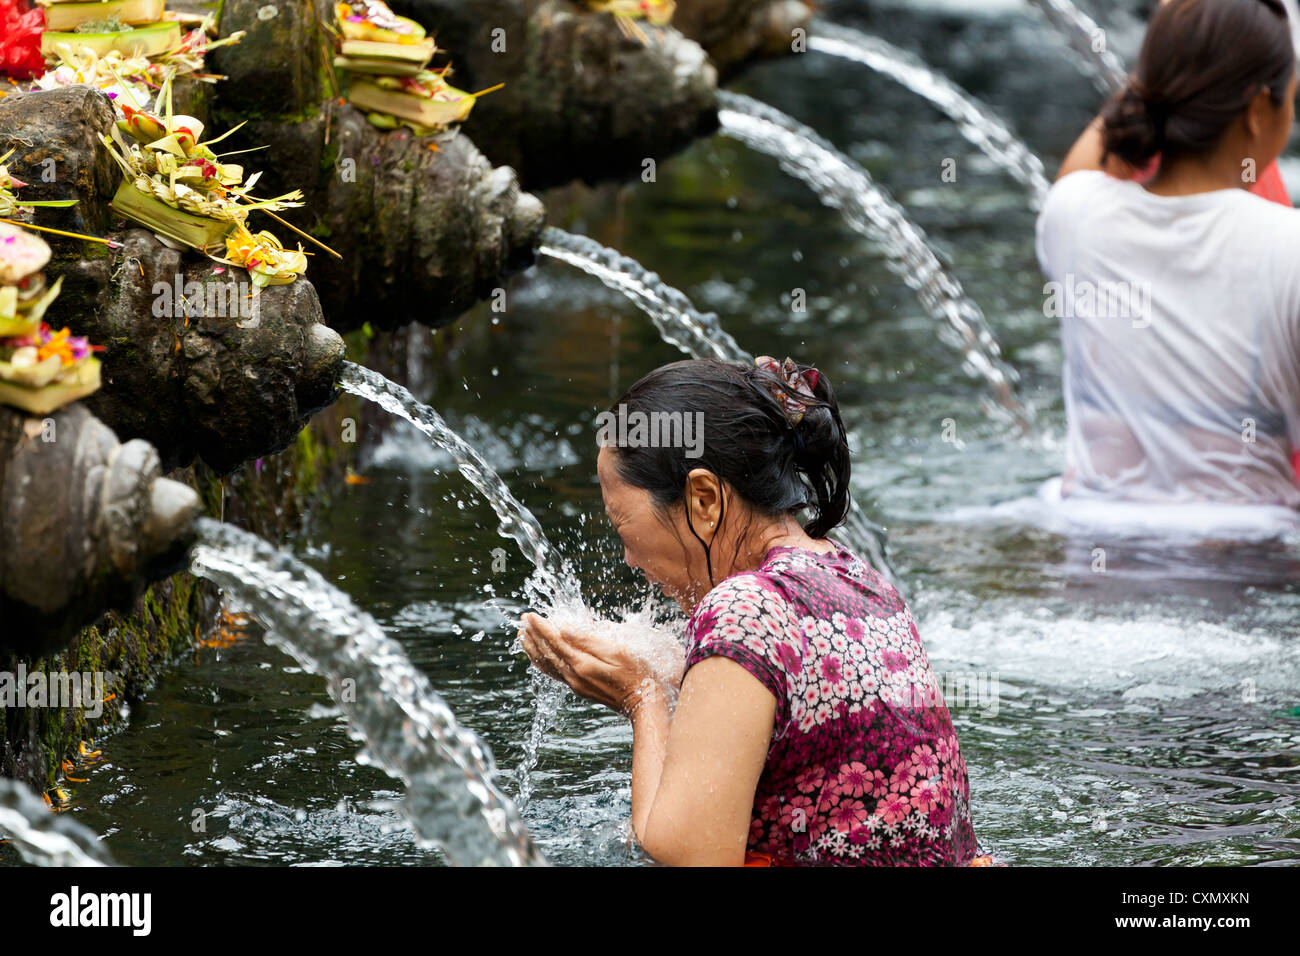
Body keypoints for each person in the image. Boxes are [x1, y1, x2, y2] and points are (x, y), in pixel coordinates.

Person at [519, 357, 982, 866]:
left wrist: (642, 695)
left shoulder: (745, 609)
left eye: (621, 522)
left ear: (704, 499)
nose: (629, 557)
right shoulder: (859, 578)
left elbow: (691, 857)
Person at [1040, 0, 1300, 508]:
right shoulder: (1289, 246)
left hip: (1091, 540)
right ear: (1256, 112)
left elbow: (1100, 152)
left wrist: (1176, 46)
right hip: (1247, 561)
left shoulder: (1074, 216)